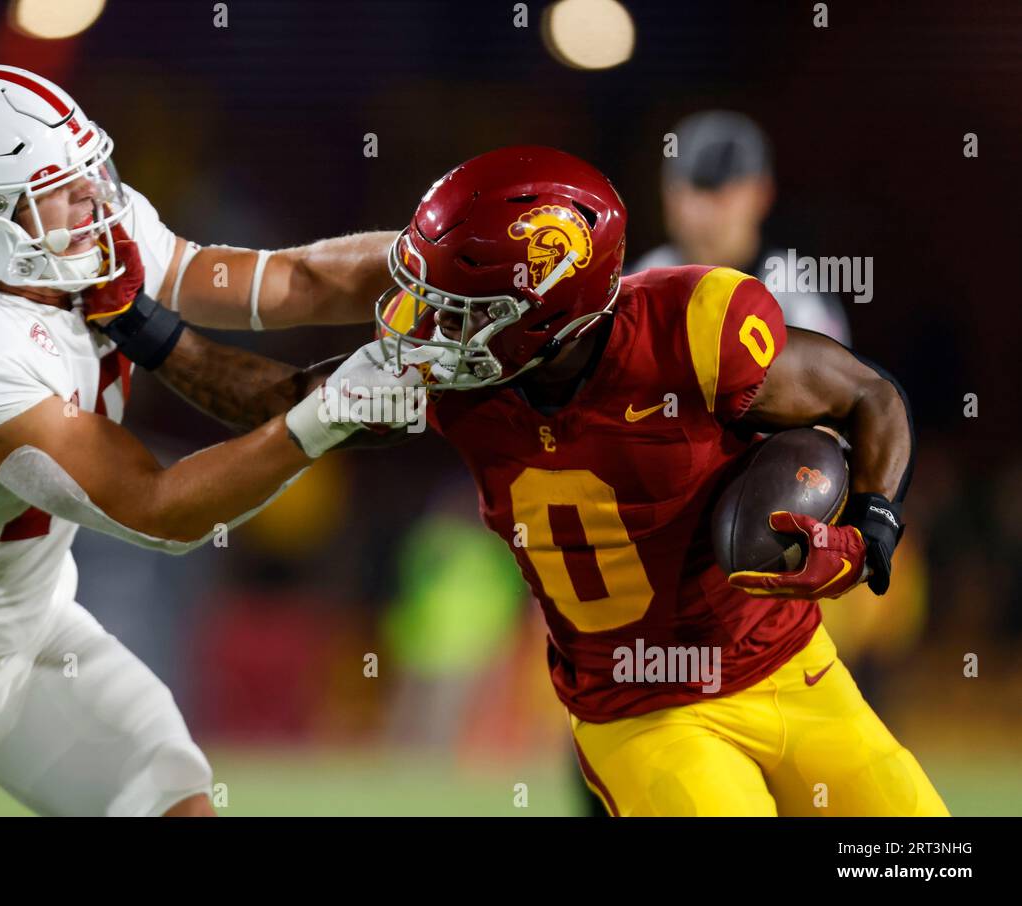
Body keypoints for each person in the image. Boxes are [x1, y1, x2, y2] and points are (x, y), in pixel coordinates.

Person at [0, 64, 424, 817]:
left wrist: (435, 258)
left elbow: (288, 281)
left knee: (177, 806)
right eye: (59, 190)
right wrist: (326, 414)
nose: (97, 199)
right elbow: (158, 508)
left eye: (87, 170)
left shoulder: (57, 238)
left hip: (33, 637)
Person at [369, 145, 946, 816]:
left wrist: (868, 526)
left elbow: (859, 401)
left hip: (782, 654)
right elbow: (296, 387)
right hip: (637, 706)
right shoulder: (448, 385)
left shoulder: (697, 318)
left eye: (471, 301)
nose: (441, 325)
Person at [630, 110, 851, 345]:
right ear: (667, 198)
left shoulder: (798, 293)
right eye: (695, 189)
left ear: (763, 194)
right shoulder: (637, 287)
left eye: (726, 192)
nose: (708, 209)